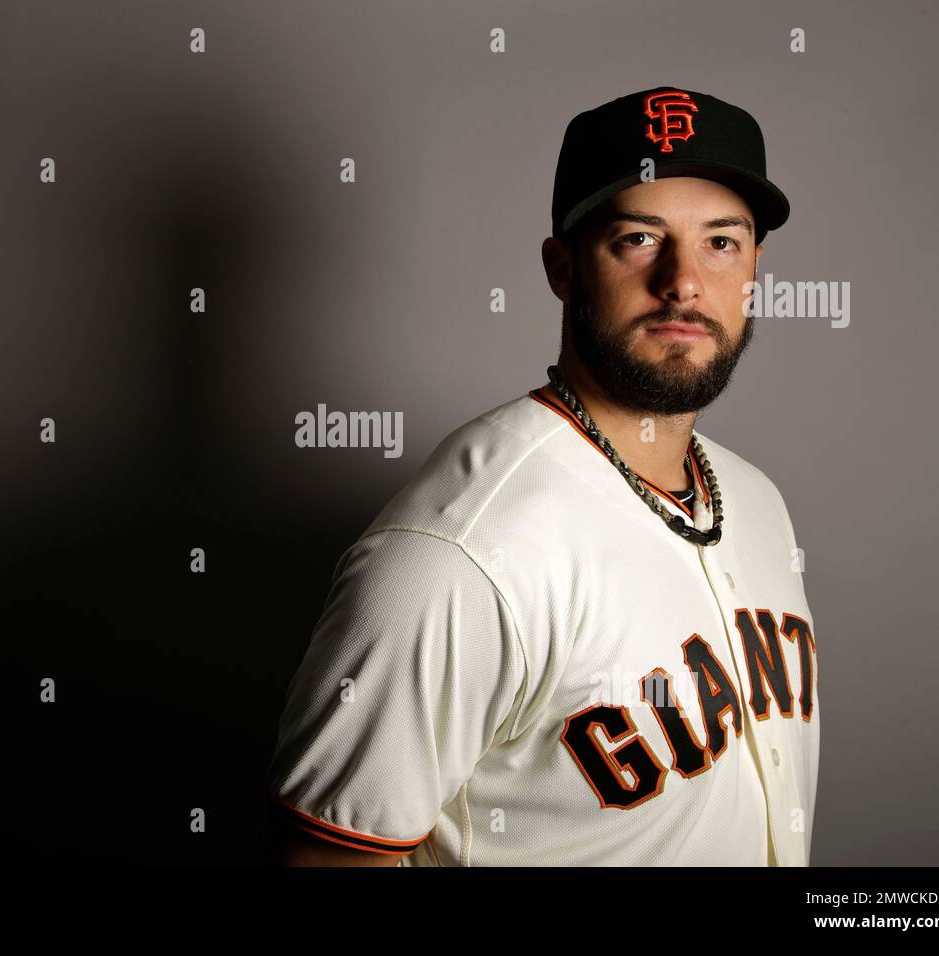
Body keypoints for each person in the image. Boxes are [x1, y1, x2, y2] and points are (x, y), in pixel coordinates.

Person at [265, 86, 819, 866]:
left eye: (721, 242)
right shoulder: (455, 553)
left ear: (756, 266)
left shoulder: (757, 503)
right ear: (563, 268)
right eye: (638, 238)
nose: (684, 282)